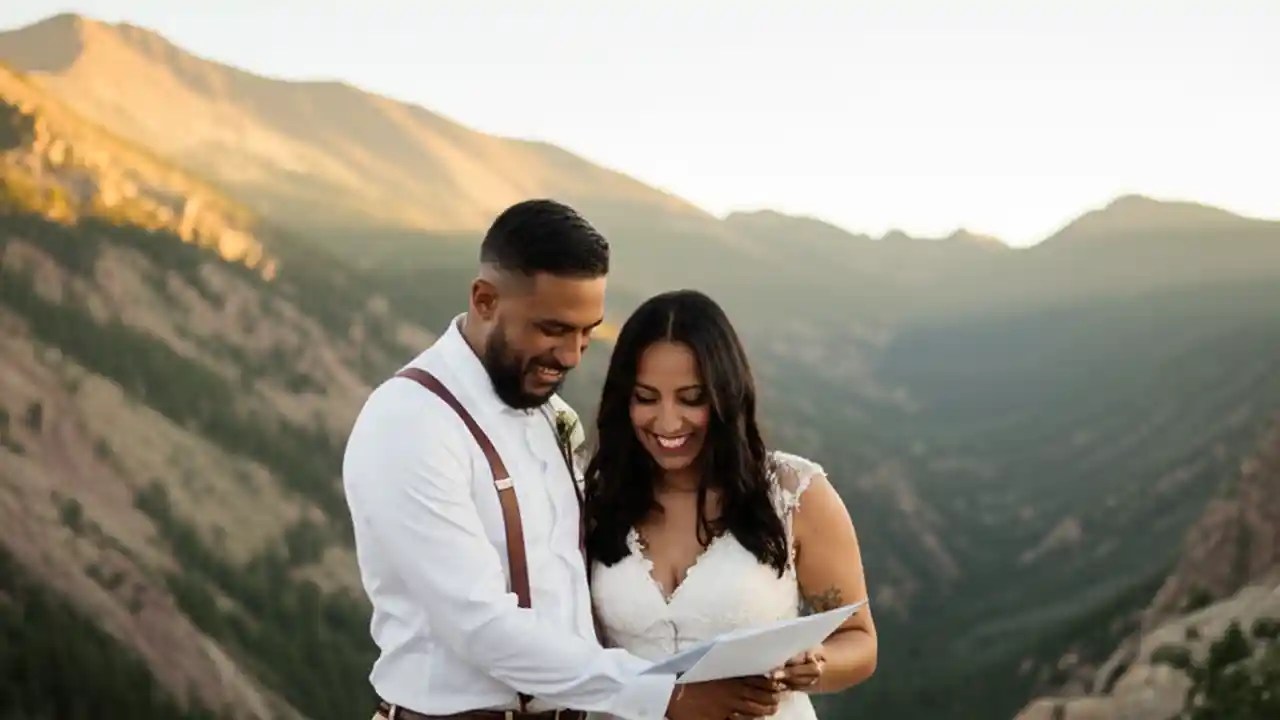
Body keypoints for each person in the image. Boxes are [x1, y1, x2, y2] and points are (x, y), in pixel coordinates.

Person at [342, 200, 784, 720]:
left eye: (586, 331)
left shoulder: (549, 414)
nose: (573, 355)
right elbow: (479, 625)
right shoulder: (411, 421)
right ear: (485, 300)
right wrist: (664, 695)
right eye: (552, 329)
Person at [583, 289, 879, 720]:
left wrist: (814, 664)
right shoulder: (596, 498)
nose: (667, 422)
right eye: (646, 398)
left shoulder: (794, 494)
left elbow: (859, 639)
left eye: (691, 398)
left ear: (725, 395)